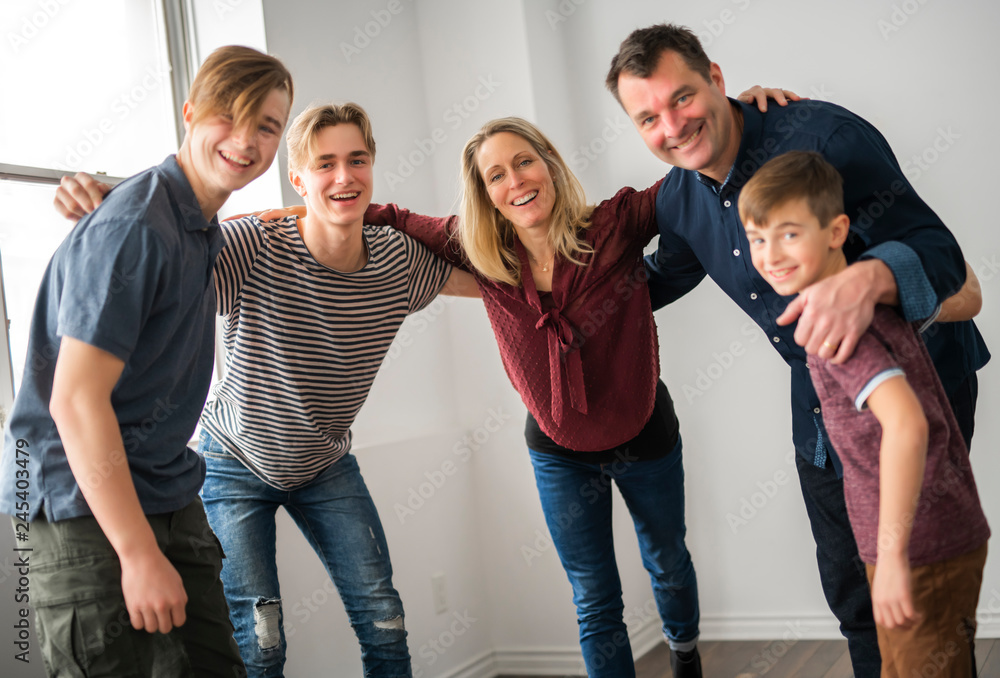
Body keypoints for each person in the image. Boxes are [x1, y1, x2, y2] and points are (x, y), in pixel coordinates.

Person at [252, 87, 787, 678]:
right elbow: (397, 217)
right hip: (558, 448)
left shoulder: (614, 223)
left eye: (525, 161)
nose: (516, 180)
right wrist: (312, 210)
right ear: (485, 193)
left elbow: (687, 179)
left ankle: (685, 653)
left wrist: (740, 109)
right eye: (496, 174)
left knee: (667, 561)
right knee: (593, 595)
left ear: (550, 165)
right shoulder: (482, 252)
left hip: (643, 428)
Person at [605, 24, 990, 675]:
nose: (671, 126)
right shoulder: (678, 199)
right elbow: (652, 283)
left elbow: (949, 265)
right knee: (852, 590)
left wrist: (869, 279)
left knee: (921, 589)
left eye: (682, 99)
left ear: (717, 80)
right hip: (818, 401)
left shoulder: (825, 139)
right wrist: (540, 295)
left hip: (920, 387)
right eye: (648, 117)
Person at [53, 102, 479, 678]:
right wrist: (105, 203)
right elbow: (168, 237)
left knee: (384, 619)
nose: (344, 177)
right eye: (324, 164)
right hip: (234, 461)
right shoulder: (253, 245)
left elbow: (491, 280)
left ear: (373, 166)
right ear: (298, 178)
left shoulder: (399, 263)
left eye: (356, 160)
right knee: (261, 638)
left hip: (325, 463)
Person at [1, 45, 293, 676]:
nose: (245, 140)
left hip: (164, 485)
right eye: (228, 115)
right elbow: (75, 401)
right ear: (189, 113)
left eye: (267, 125)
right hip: (80, 498)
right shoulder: (136, 225)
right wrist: (136, 554)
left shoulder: (196, 222)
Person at [739, 150, 989, 677]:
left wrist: (894, 556)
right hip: (929, 536)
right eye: (757, 238)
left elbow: (906, 424)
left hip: (920, 548)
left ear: (836, 231)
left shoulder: (838, 331)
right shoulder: (865, 299)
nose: (770, 254)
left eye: (789, 234)